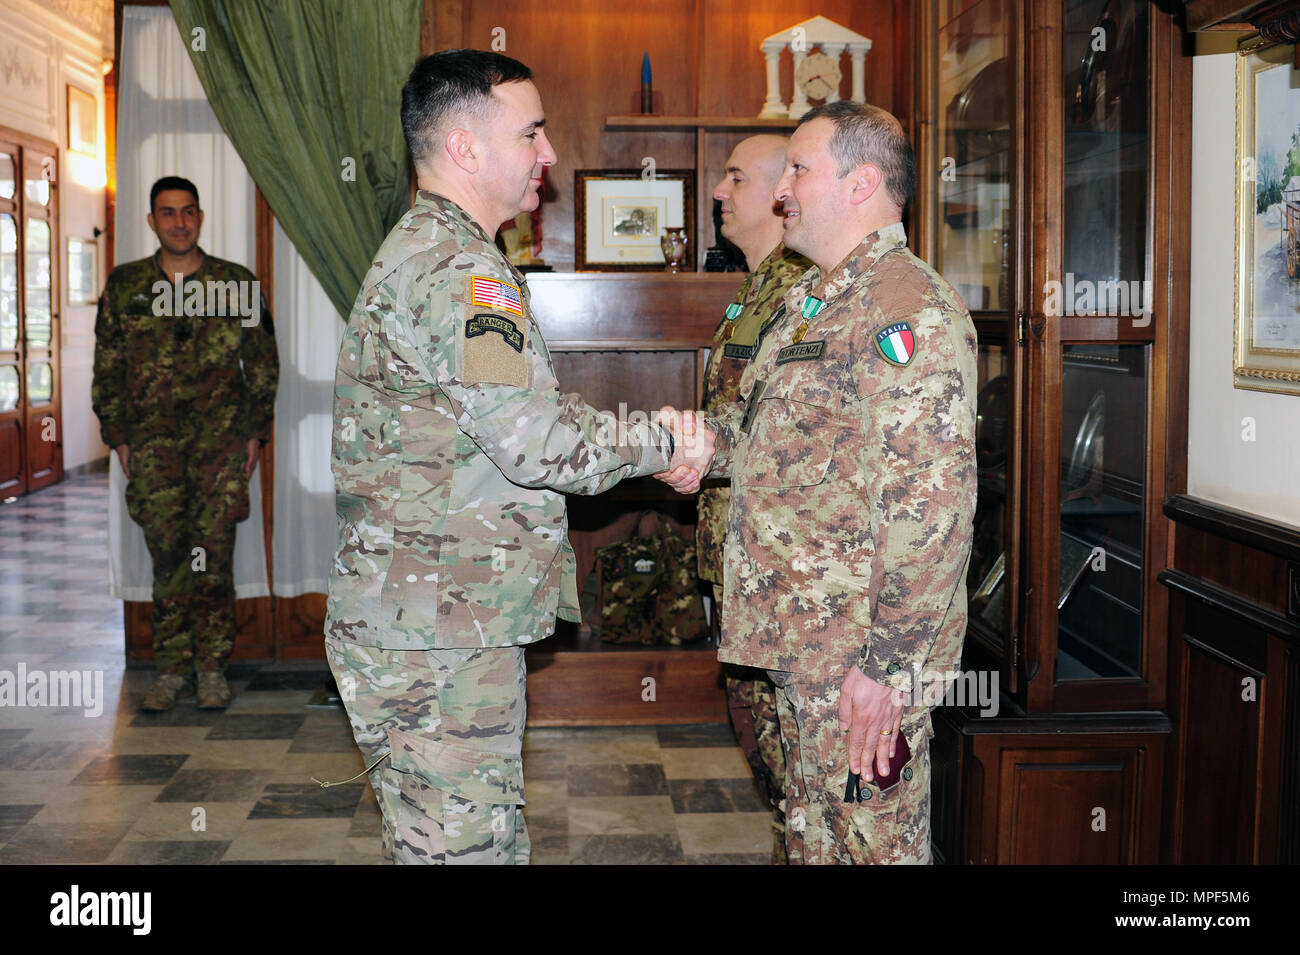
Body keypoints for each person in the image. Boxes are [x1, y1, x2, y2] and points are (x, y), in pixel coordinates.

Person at [325, 49, 710, 866]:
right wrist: (667, 440)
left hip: (431, 623)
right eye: (531, 131)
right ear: (465, 146)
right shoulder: (461, 273)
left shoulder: (442, 254)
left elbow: (520, 416)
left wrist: (645, 437)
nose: (549, 153)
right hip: (435, 639)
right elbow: (538, 442)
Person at [659, 101, 978, 864]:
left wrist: (887, 667)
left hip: (859, 663)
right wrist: (705, 448)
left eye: (799, 169)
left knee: (873, 850)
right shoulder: (816, 301)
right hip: (803, 646)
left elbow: (932, 505)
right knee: (813, 841)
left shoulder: (907, 310)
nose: (782, 191)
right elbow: (784, 439)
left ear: (862, 182)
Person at [92, 176, 278, 712]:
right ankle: (171, 670)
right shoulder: (127, 287)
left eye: (188, 212)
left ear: (200, 217)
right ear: (152, 221)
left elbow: (264, 364)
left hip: (221, 449)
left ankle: (214, 669)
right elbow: (108, 368)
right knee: (169, 559)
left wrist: (256, 434)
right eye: (167, 213)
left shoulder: (235, 284)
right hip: (152, 451)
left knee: (212, 558)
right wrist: (119, 438)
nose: (178, 222)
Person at [698, 134, 811, 863]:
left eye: (735, 176)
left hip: (773, 568)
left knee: (794, 767)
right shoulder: (758, 284)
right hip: (733, 557)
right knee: (769, 757)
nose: (718, 191)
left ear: (778, 193)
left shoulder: (802, 290)